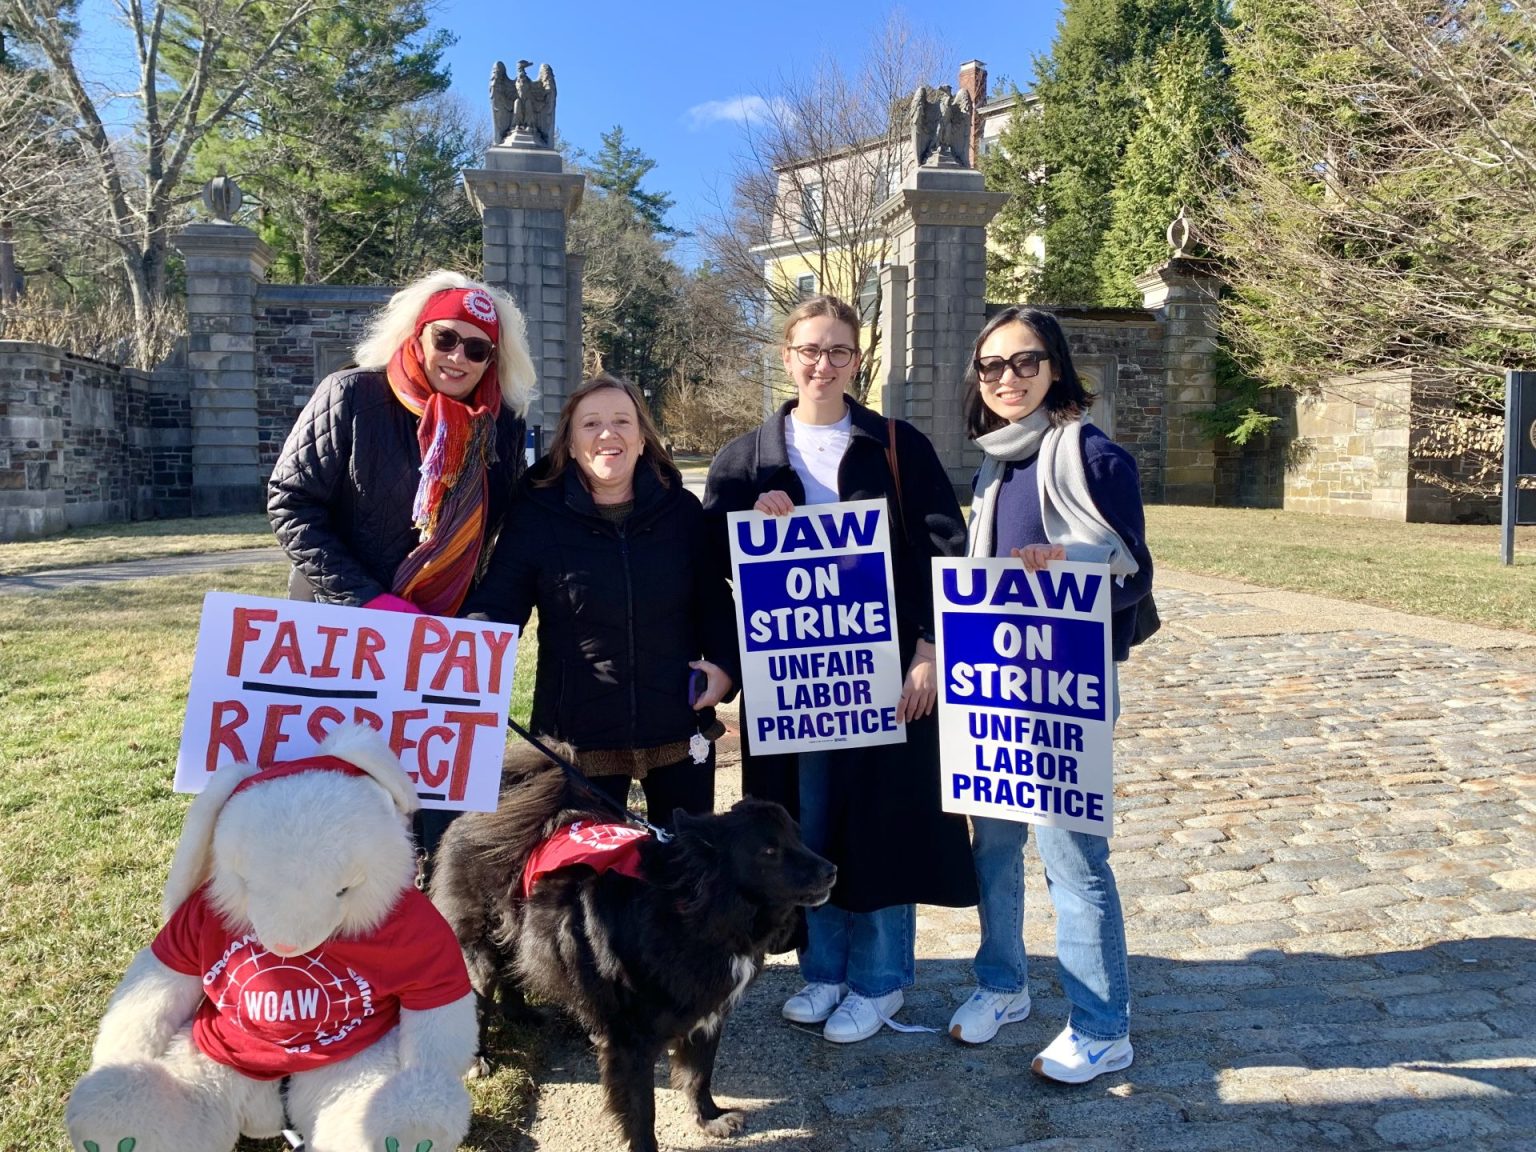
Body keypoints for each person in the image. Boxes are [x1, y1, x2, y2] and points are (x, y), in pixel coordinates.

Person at [704, 295, 977, 1045]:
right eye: (809, 350)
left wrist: (929, 650)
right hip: (791, 681)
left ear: (858, 361)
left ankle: (880, 981)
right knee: (805, 823)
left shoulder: (895, 445)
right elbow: (711, 569)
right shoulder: (744, 459)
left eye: (838, 352)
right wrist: (752, 526)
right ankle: (822, 971)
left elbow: (943, 552)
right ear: (786, 356)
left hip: (885, 674)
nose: (823, 364)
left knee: (880, 823)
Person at [947, 305, 1152, 1084]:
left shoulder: (1094, 456)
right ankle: (1003, 984)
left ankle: (1102, 1027)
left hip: (1065, 686)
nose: (1008, 378)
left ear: (1055, 367)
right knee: (995, 848)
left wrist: (1068, 565)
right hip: (994, 686)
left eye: (1025, 361)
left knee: (1072, 857)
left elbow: (1134, 572)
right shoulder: (995, 462)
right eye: (992, 366)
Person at [268, 269, 536, 863]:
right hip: (344, 628)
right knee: (346, 796)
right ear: (417, 334)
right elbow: (292, 502)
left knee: (440, 811)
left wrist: (482, 621)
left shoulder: (500, 426)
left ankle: (429, 910)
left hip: (446, 638)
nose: (458, 357)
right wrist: (369, 601)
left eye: (477, 349)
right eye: (446, 338)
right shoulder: (353, 396)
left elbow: (511, 528)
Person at [463, 375, 738, 825]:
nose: (608, 434)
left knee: (686, 863)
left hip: (678, 727)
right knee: (584, 868)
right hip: (576, 740)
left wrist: (727, 667)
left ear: (642, 438)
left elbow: (714, 602)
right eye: (591, 424)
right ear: (570, 445)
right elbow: (498, 605)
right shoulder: (537, 517)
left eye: (622, 422)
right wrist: (451, 658)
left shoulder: (681, 512)